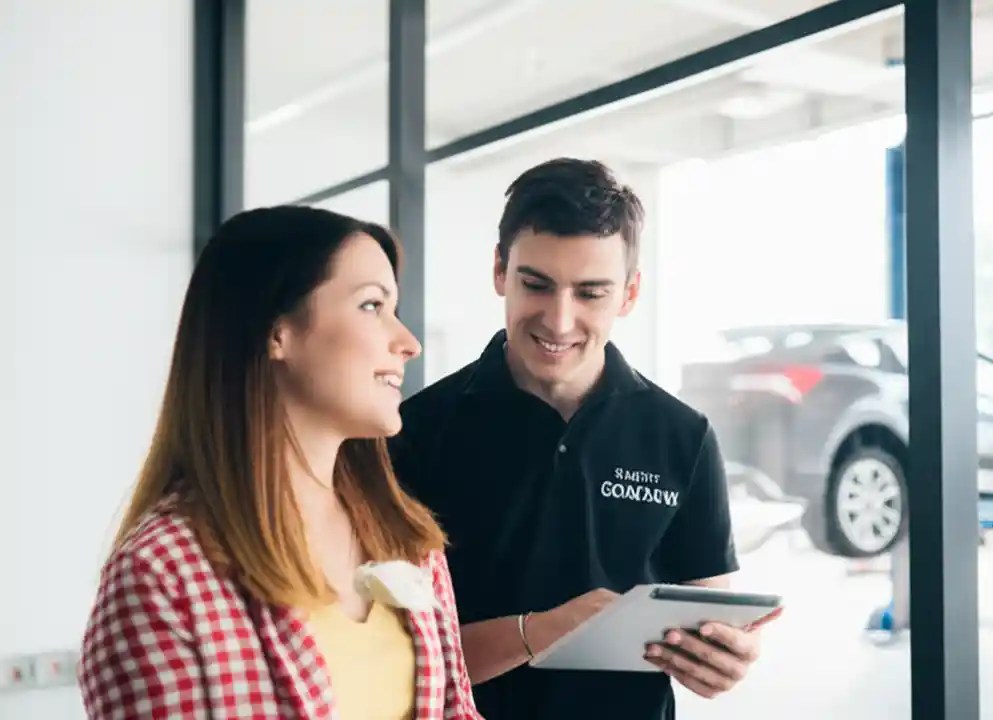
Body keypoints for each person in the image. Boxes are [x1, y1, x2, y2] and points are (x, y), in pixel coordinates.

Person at [389, 158, 778, 720]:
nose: (559, 320)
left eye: (590, 293)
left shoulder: (682, 435)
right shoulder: (416, 430)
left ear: (629, 293)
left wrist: (725, 659)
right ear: (499, 271)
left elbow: (709, 613)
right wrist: (540, 631)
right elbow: (395, 654)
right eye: (536, 285)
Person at [77, 207, 482, 719]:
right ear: (277, 333)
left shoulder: (408, 540)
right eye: (371, 305)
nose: (408, 343)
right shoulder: (162, 576)